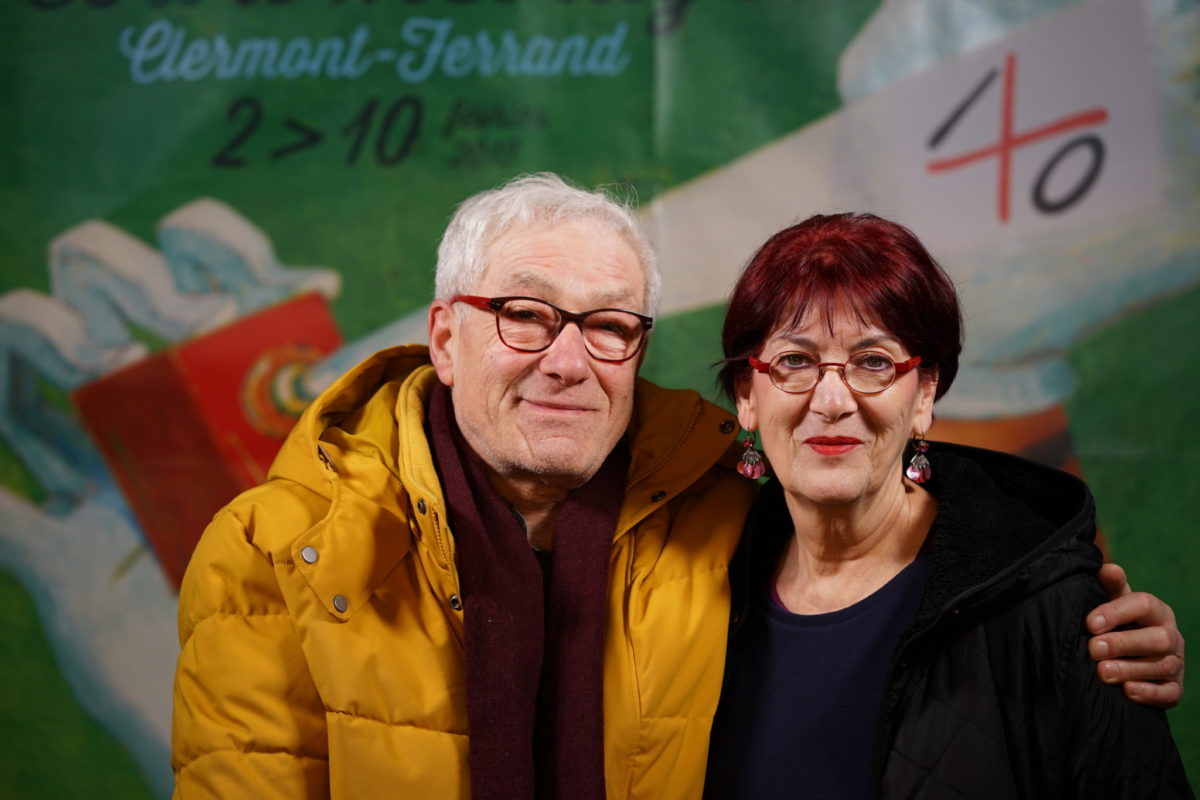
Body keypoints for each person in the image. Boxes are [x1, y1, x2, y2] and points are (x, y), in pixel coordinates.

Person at [171, 175, 1185, 800]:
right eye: (525, 314)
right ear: (444, 334)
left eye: (609, 325)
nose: (568, 360)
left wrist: (1047, 576)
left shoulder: (703, 514)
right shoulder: (277, 548)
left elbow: (857, 466)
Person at [704, 213, 1193, 798]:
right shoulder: (698, 588)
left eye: (874, 362)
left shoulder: (1053, 608)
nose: (832, 400)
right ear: (745, 396)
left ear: (925, 393)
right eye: (795, 361)